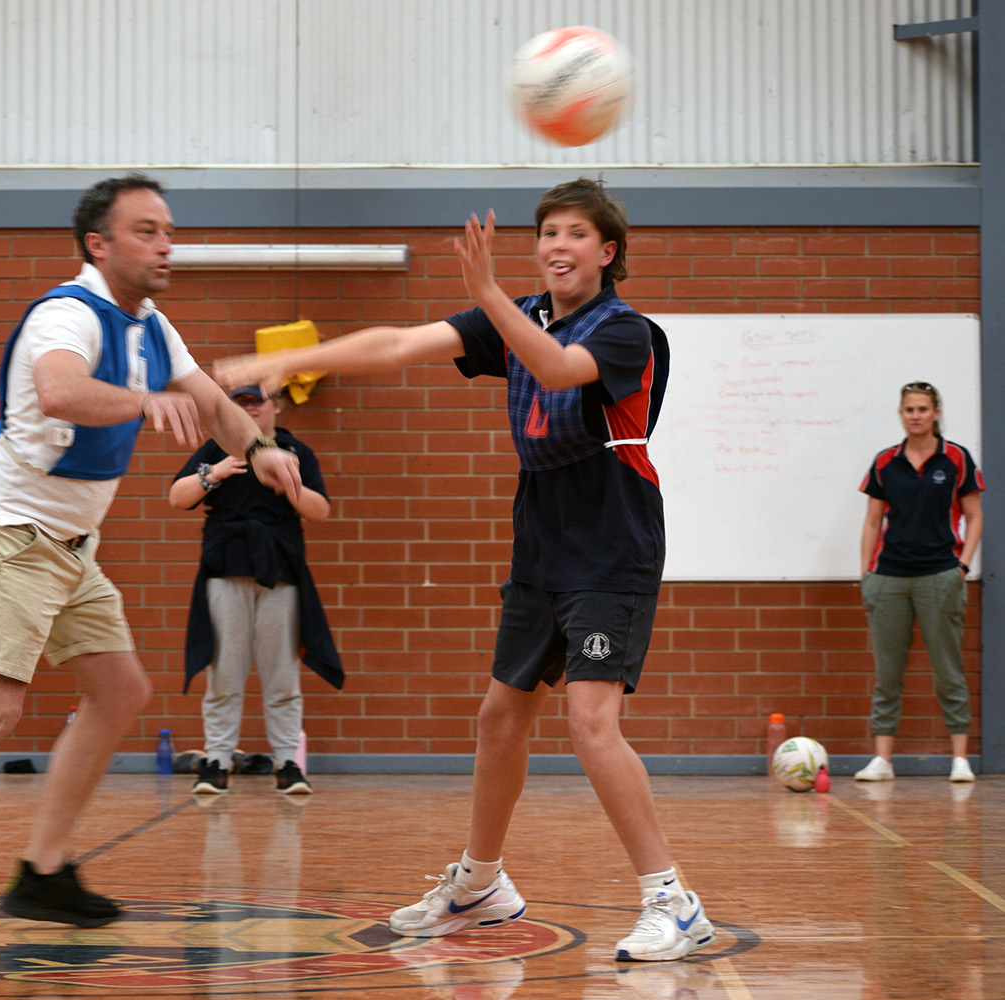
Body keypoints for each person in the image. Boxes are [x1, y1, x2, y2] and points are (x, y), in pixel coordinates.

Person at [215, 178, 714, 962]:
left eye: (576, 233)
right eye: (548, 230)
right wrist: (288, 359)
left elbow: (552, 369)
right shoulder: (522, 317)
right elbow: (398, 342)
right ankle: (481, 884)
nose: (556, 244)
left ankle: (672, 901)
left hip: (612, 545)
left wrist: (485, 291)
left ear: (607, 252)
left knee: (590, 722)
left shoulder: (629, 333)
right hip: (542, 543)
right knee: (499, 717)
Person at [0, 174, 303, 941]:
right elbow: (59, 392)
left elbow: (214, 403)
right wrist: (144, 401)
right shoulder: (69, 313)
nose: (166, 243)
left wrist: (259, 447)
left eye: (168, 229)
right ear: (99, 244)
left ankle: (44, 870)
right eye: (147, 230)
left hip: (69, 548)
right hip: (11, 533)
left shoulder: (152, 326)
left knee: (119, 691)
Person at [169, 384, 340, 796]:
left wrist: (289, 486)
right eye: (240, 403)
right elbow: (177, 496)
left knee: (281, 675)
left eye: (256, 402)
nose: (249, 409)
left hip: (279, 571)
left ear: (276, 407)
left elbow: (321, 510)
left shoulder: (297, 452)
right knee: (224, 674)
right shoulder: (215, 448)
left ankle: (287, 765)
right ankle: (217, 762)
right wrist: (213, 474)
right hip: (225, 570)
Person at [855, 381, 983, 783]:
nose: (916, 415)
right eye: (909, 409)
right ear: (900, 413)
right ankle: (883, 761)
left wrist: (961, 567)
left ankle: (960, 760)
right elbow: (873, 521)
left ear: (936, 413)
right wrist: (866, 574)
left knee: (948, 669)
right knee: (888, 673)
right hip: (889, 577)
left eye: (923, 409)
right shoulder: (885, 462)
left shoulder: (957, 459)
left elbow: (975, 515)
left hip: (940, 576)